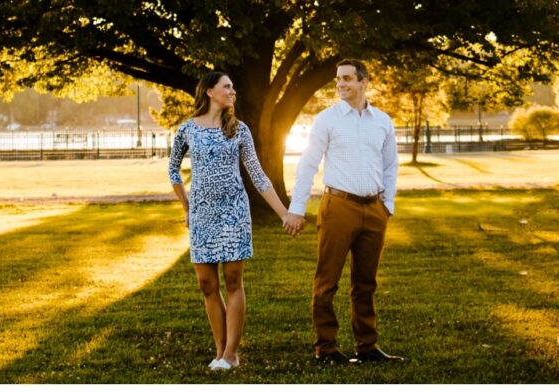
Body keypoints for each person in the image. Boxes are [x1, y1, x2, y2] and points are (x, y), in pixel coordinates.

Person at [169, 71, 306, 372]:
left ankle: (231, 354)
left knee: (232, 281)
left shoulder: (239, 129)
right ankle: (219, 350)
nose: (232, 92)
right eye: (227, 86)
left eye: (233, 87)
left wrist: (284, 213)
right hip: (202, 214)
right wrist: (187, 207)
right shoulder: (187, 130)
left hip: (234, 212)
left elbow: (258, 176)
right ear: (209, 91)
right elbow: (172, 171)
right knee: (207, 284)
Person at [287, 59, 403, 364]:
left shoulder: (383, 121)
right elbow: (308, 164)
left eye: (347, 78)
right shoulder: (327, 120)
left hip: (374, 209)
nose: (340, 84)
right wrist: (297, 209)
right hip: (338, 207)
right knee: (327, 282)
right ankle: (325, 349)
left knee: (366, 283)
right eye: (338, 79)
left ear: (364, 82)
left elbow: (391, 165)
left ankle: (367, 347)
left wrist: (386, 204)